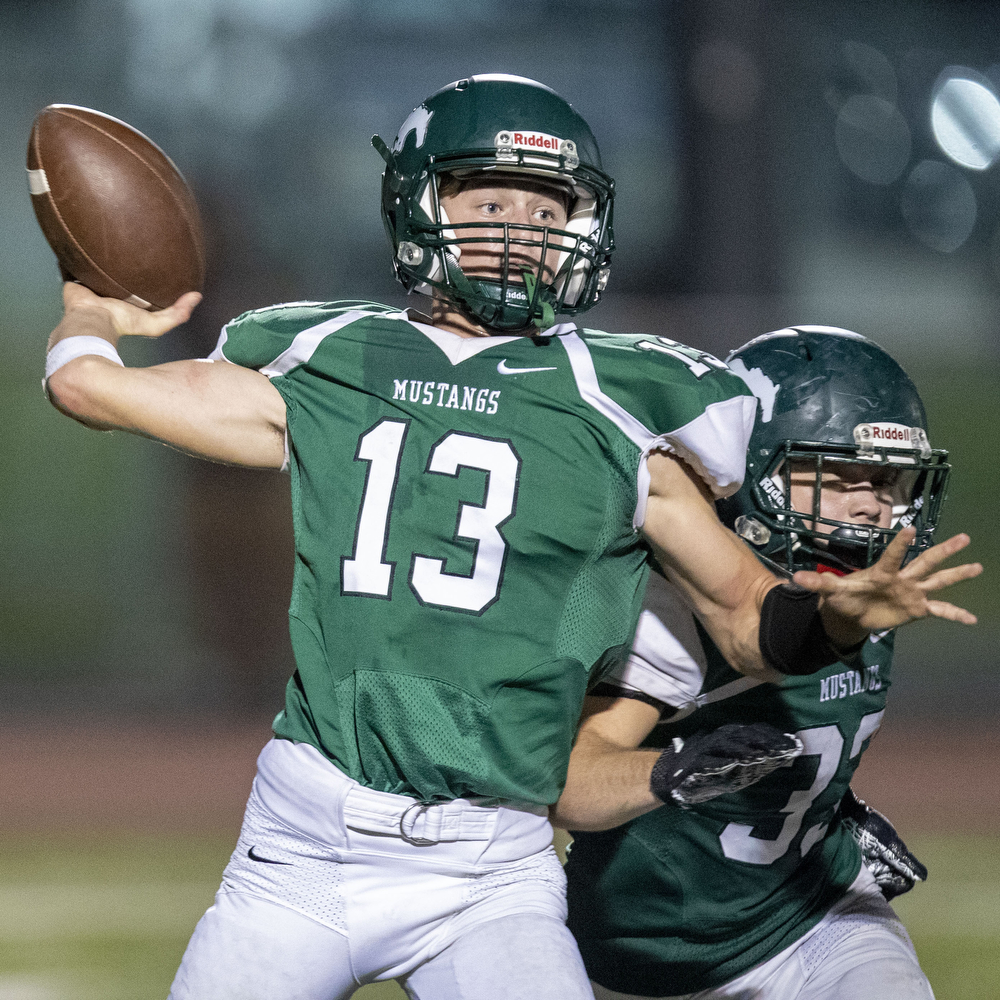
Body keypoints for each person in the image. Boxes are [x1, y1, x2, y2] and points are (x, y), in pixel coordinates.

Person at [42, 69, 977, 999]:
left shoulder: (626, 406)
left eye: (542, 209)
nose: (515, 230)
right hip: (303, 847)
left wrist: (841, 622)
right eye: (488, 197)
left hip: (491, 870)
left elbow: (746, 616)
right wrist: (94, 306)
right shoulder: (325, 358)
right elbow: (89, 387)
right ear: (419, 202)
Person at [556, 326, 962, 1000]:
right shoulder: (682, 607)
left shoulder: (871, 593)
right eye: (839, 476)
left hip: (813, 916)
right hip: (637, 957)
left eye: (888, 480)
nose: (871, 504)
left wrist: (824, 808)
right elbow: (568, 780)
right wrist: (672, 769)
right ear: (754, 477)